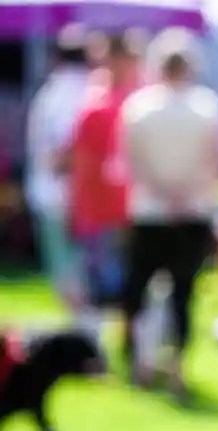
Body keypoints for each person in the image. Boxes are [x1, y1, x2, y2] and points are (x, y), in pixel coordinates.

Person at [119, 28, 218, 400]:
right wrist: (185, 195)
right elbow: (214, 162)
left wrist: (164, 194)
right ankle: (175, 364)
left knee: (141, 289)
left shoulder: (138, 107)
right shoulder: (207, 107)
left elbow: (131, 163)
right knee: (181, 294)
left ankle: (139, 360)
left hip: (151, 211)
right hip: (191, 211)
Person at [69, 32, 141, 326]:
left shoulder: (141, 101)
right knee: (102, 285)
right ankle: (96, 351)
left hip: (136, 210)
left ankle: (132, 347)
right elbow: (82, 165)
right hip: (102, 212)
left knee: (134, 284)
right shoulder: (95, 106)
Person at [26, 25, 90, 321]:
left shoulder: (57, 92)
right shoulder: (81, 90)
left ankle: (84, 330)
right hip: (71, 193)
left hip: (59, 195)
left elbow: (64, 150)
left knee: (68, 266)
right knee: (79, 263)